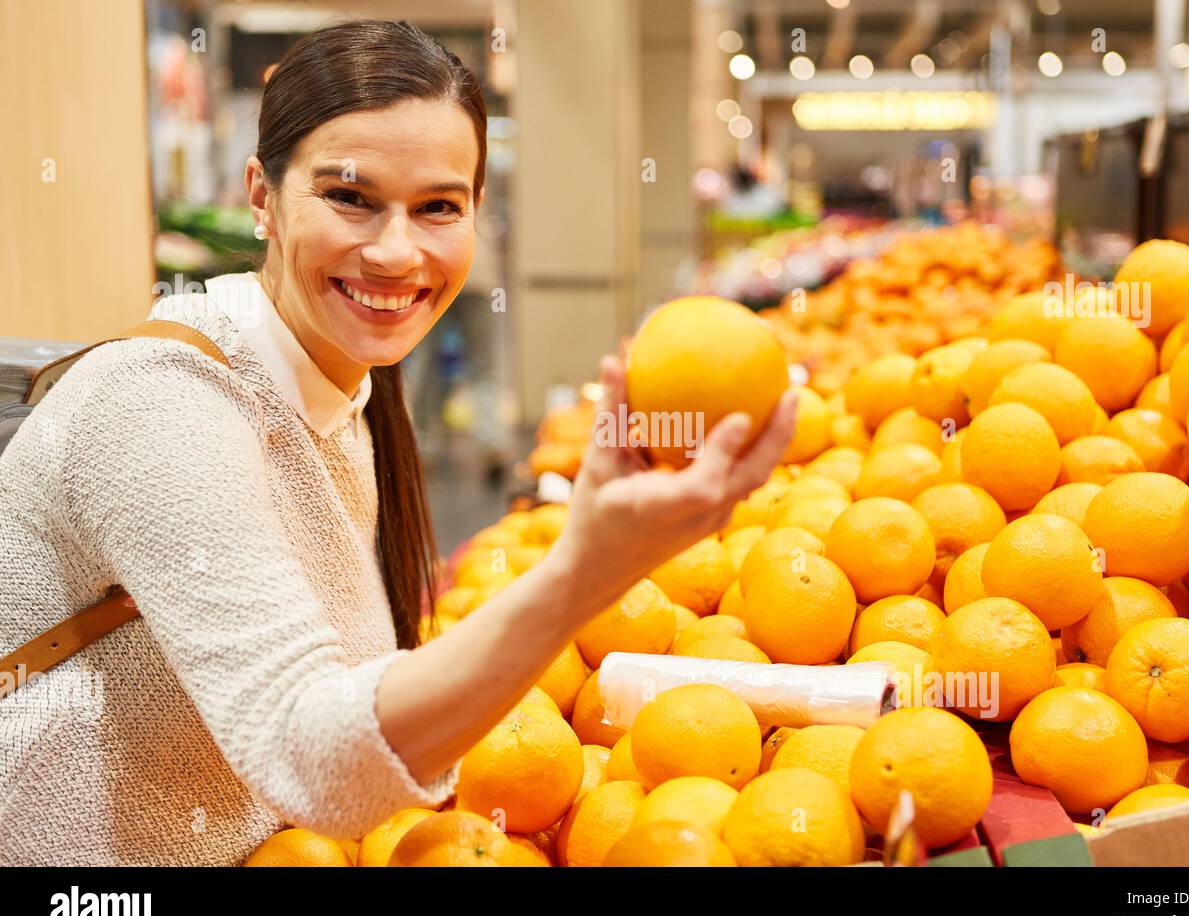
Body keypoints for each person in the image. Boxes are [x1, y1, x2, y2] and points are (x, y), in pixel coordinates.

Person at [0, 20, 795, 865]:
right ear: (261, 197)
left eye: (438, 207)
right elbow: (314, 761)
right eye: (350, 197)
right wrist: (585, 572)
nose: (395, 250)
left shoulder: (347, 388)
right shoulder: (162, 404)